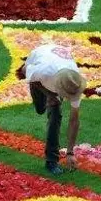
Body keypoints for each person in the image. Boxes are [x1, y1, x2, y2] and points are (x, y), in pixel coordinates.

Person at [23, 43, 87, 175]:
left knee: (56, 113)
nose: (69, 98)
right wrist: (50, 94)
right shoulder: (43, 71)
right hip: (38, 63)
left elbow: (74, 120)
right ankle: (46, 98)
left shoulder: (74, 83)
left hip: (58, 70)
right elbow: (25, 70)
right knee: (40, 109)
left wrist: (70, 152)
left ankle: (51, 161)